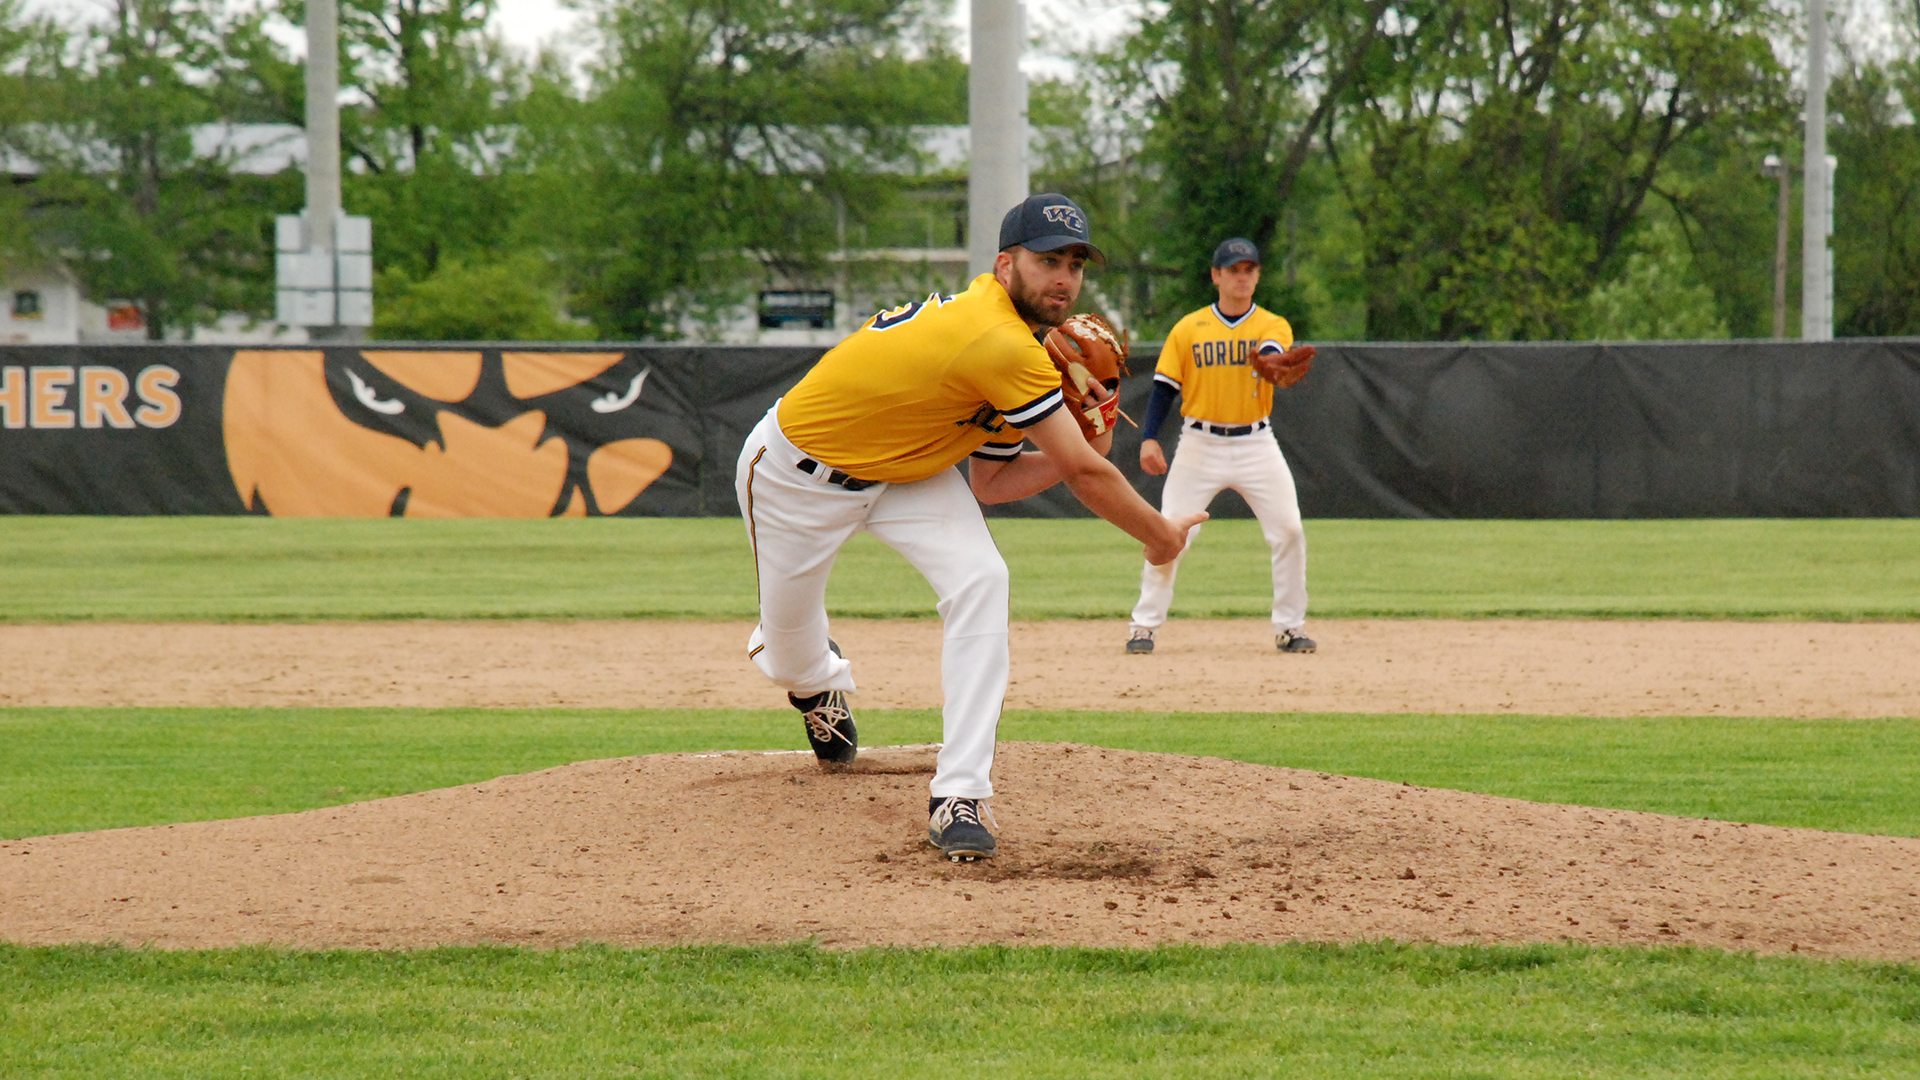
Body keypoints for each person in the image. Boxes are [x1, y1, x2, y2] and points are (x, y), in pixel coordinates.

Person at [734, 193, 1206, 862]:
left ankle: (961, 793)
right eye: (1047, 261)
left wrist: (1090, 450)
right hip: (795, 478)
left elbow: (991, 481)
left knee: (983, 578)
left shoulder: (1030, 352)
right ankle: (815, 682)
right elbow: (1081, 474)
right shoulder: (998, 340)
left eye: (1075, 264)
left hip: (908, 473)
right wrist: (1159, 535)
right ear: (1004, 264)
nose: (1064, 279)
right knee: (786, 660)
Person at [1125, 237, 1316, 656]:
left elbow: (1271, 349)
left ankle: (1290, 627)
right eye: (1233, 270)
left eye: (1249, 269)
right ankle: (1143, 626)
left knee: (1289, 530)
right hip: (1199, 444)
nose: (1241, 277)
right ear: (1216, 276)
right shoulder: (1189, 328)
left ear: (1258, 275)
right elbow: (1163, 388)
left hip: (1256, 442)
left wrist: (1270, 359)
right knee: (1168, 533)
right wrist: (1150, 437)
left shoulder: (1271, 323)